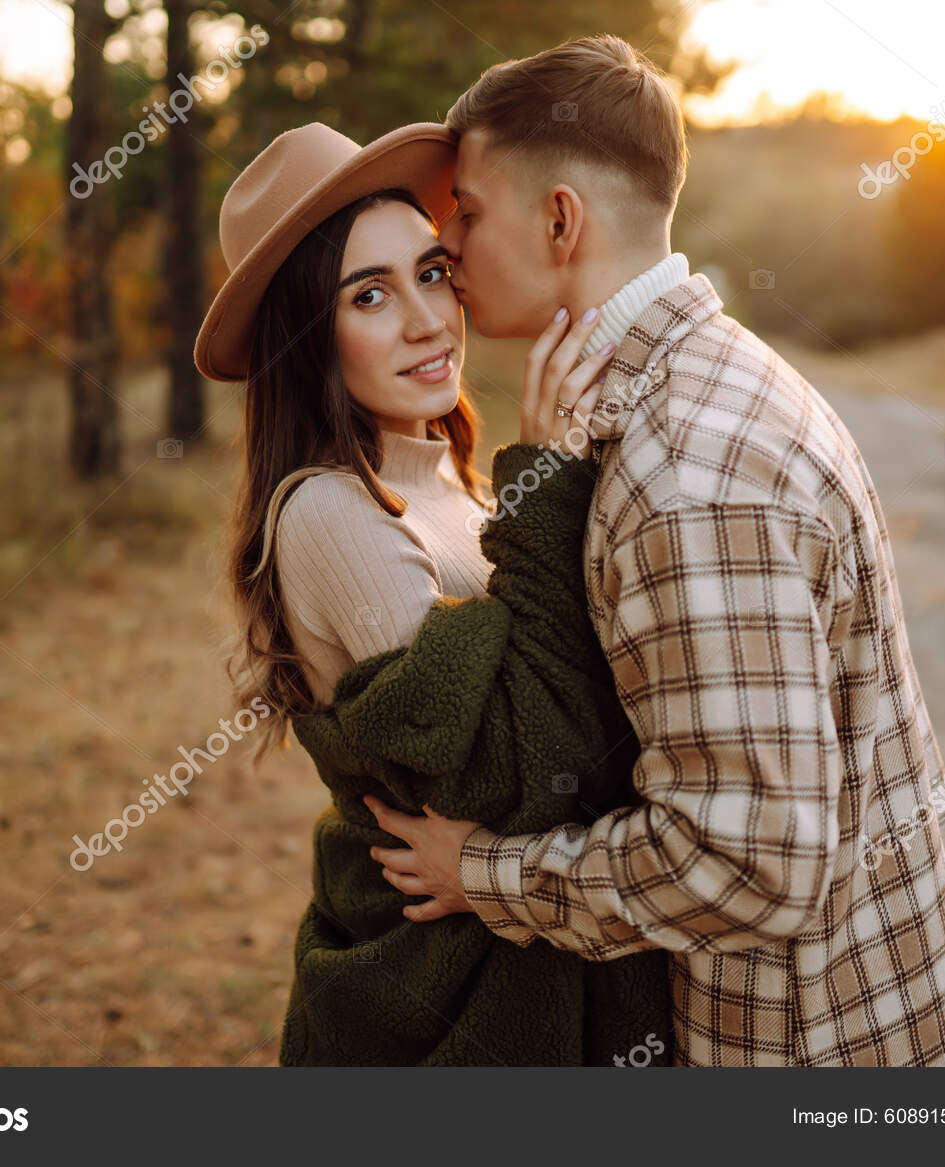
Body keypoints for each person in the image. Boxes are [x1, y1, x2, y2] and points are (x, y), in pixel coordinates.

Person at [349, 34, 945, 1066]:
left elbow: (749, 863)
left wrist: (485, 873)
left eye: (468, 214)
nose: (451, 246)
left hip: (814, 1044)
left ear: (559, 218)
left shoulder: (683, 471)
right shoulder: (716, 377)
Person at [193, 121, 672, 1064]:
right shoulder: (330, 512)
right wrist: (551, 485)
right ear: (308, 340)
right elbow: (504, 774)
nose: (426, 319)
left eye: (431, 273)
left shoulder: (454, 485)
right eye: (369, 295)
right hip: (441, 1008)